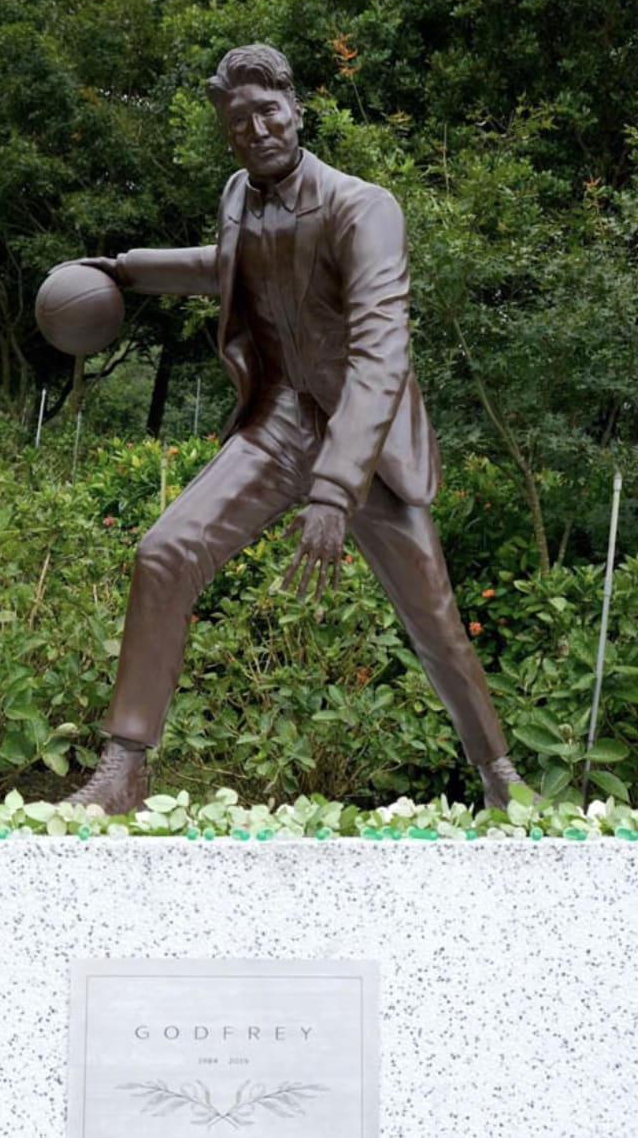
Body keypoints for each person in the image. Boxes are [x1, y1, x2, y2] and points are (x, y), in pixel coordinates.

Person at [57, 44, 523, 814]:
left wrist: (337, 487)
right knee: (166, 552)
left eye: (269, 111)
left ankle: (500, 777)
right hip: (278, 420)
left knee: (434, 618)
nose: (256, 128)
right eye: (238, 120)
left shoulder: (363, 208)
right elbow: (229, 264)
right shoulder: (239, 194)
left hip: (361, 439)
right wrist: (125, 269)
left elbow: (381, 354)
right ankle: (125, 768)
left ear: (297, 110)